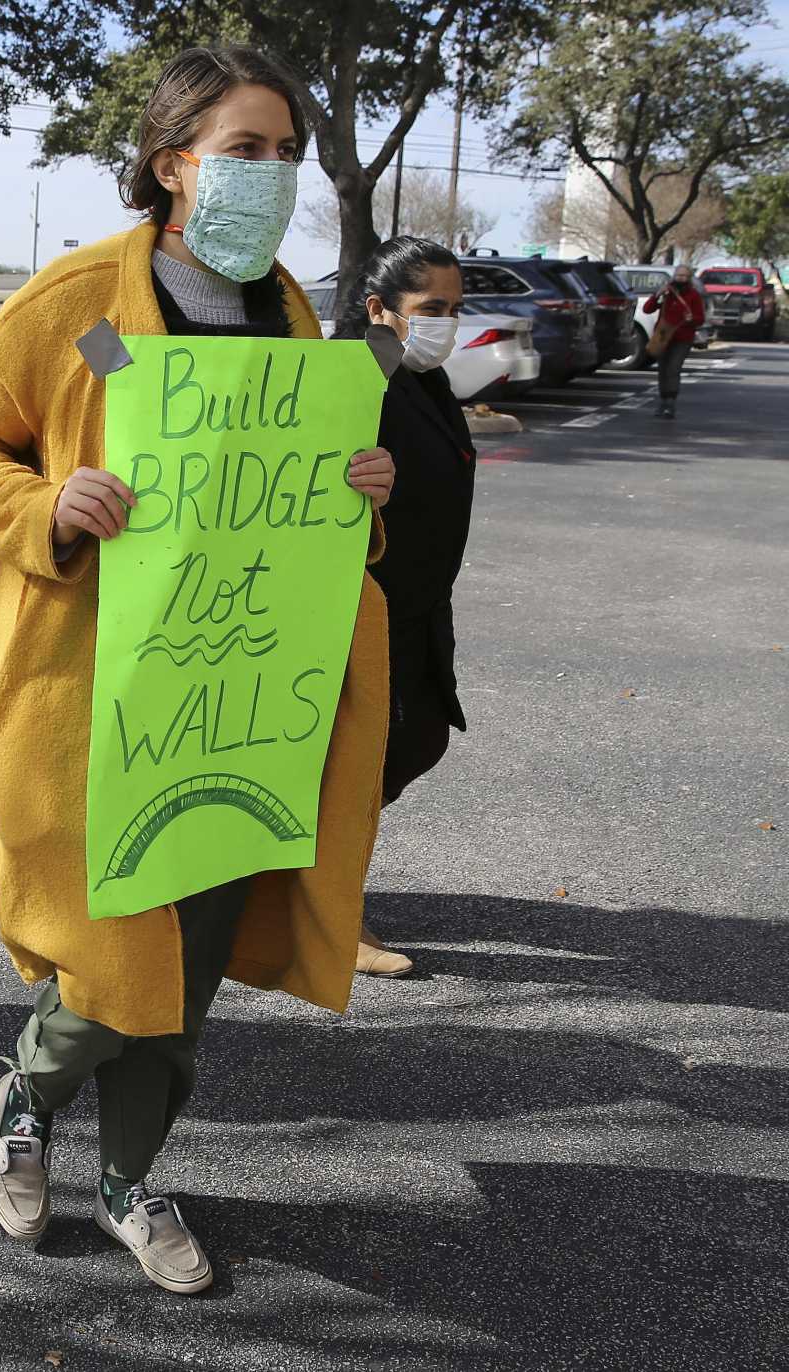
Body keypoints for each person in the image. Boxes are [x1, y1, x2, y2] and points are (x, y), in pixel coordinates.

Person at [0, 46, 396, 1295]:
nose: (272, 174)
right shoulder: (75, 303)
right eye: (244, 151)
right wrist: (48, 506)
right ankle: (26, 1091)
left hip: (229, 705)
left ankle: (131, 1179)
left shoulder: (291, 309)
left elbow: (296, 495)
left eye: (284, 152)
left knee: (182, 969)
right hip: (85, 705)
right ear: (170, 160)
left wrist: (359, 495)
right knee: (101, 958)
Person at [335, 237, 476, 979]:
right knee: (362, 762)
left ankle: (312, 888)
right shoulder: (359, 375)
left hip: (420, 605)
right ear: (378, 311)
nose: (446, 322)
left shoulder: (422, 378)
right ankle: (335, 918)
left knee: (417, 741)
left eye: (454, 308)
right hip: (367, 609)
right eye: (431, 309)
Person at [643, 264, 705, 420]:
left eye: (684, 276)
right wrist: (657, 295)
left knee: (673, 369)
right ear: (674, 276)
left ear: (689, 278)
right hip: (663, 337)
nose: (681, 279)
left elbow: (700, 319)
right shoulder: (667, 292)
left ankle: (670, 403)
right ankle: (663, 401)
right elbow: (647, 309)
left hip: (682, 338)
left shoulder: (693, 295)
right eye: (679, 275)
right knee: (663, 370)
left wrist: (691, 320)